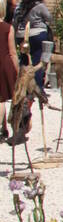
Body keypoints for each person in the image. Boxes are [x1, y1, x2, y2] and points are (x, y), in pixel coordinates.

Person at [11, 0, 54, 91]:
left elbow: (15, 21)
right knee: (37, 62)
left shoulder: (20, 6)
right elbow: (49, 18)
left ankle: (22, 86)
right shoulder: (40, 6)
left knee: (24, 61)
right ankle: (37, 88)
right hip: (37, 35)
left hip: (22, 35)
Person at [0, 13, 18, 141]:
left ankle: (4, 127)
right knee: (1, 99)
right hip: (3, 64)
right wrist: (17, 69)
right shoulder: (8, 28)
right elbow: (12, 52)